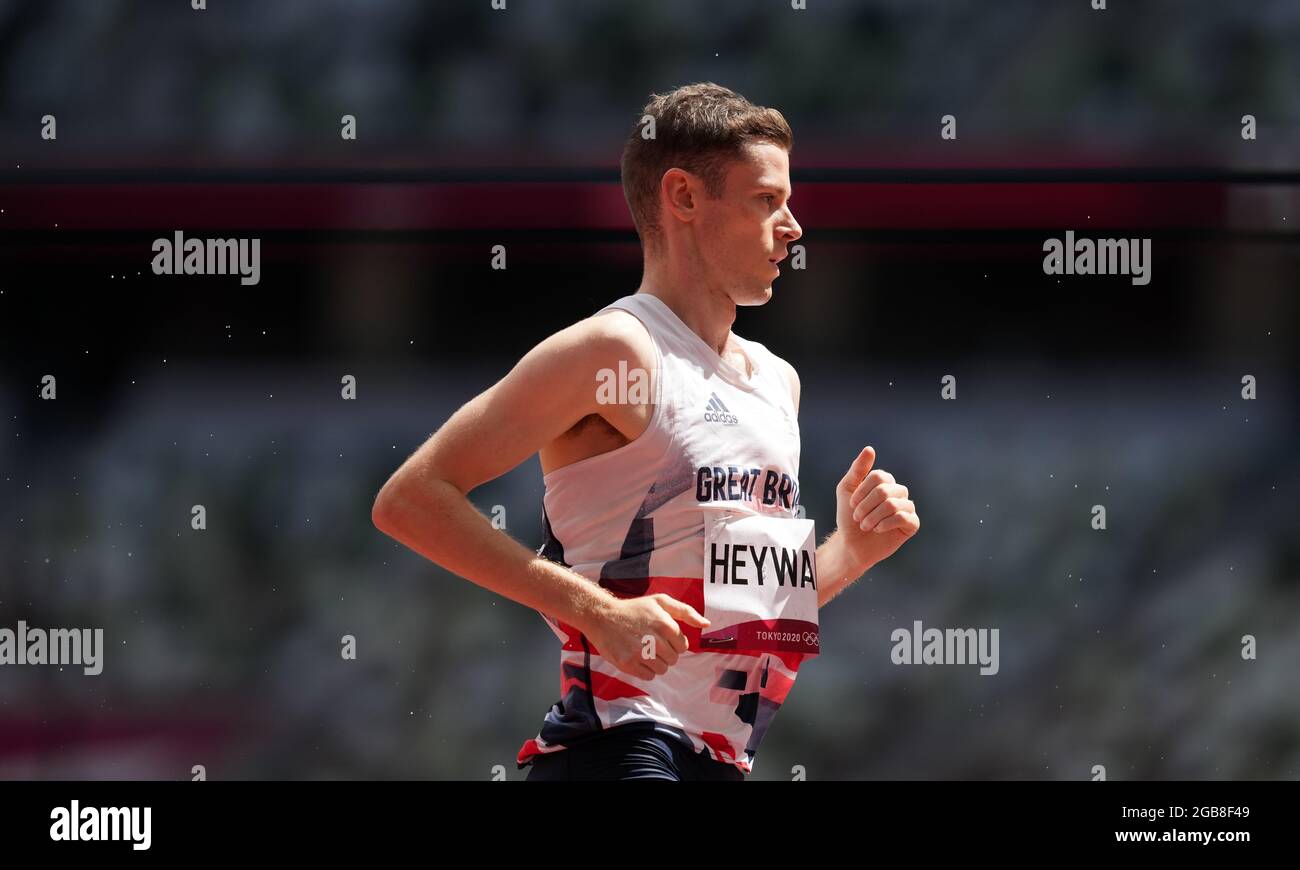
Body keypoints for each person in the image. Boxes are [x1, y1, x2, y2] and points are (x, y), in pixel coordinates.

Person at [371, 82, 920, 781]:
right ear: (684, 198)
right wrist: (598, 612)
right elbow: (411, 499)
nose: (793, 227)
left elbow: (748, 615)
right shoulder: (616, 352)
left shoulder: (777, 380)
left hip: (720, 758)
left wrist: (855, 553)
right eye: (767, 200)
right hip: (622, 749)